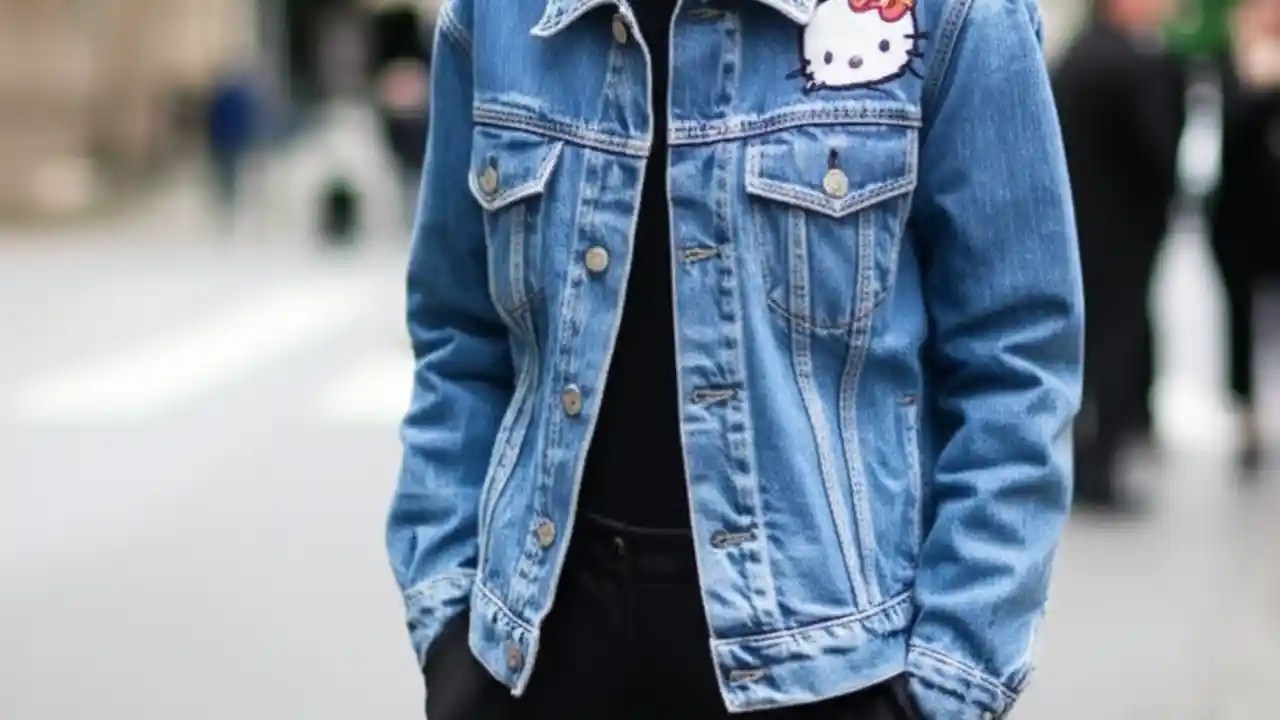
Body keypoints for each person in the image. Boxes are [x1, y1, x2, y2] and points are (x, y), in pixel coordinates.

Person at [387, 0, 1083, 718]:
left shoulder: (959, 13)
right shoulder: (496, 13)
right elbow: (458, 337)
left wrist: (949, 683)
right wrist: (448, 633)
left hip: (833, 670)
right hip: (537, 664)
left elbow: (1017, 359)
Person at [1053, 0, 1185, 509]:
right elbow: (1158, 149)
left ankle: (1087, 463)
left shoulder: (1081, 53)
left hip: (1083, 226)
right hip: (1122, 229)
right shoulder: (1131, 62)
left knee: (1092, 347)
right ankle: (1098, 470)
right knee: (1115, 347)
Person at [1211, 0, 1280, 471]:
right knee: (1240, 320)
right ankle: (1246, 413)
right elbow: (1230, 133)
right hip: (1240, 218)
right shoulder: (1233, 64)